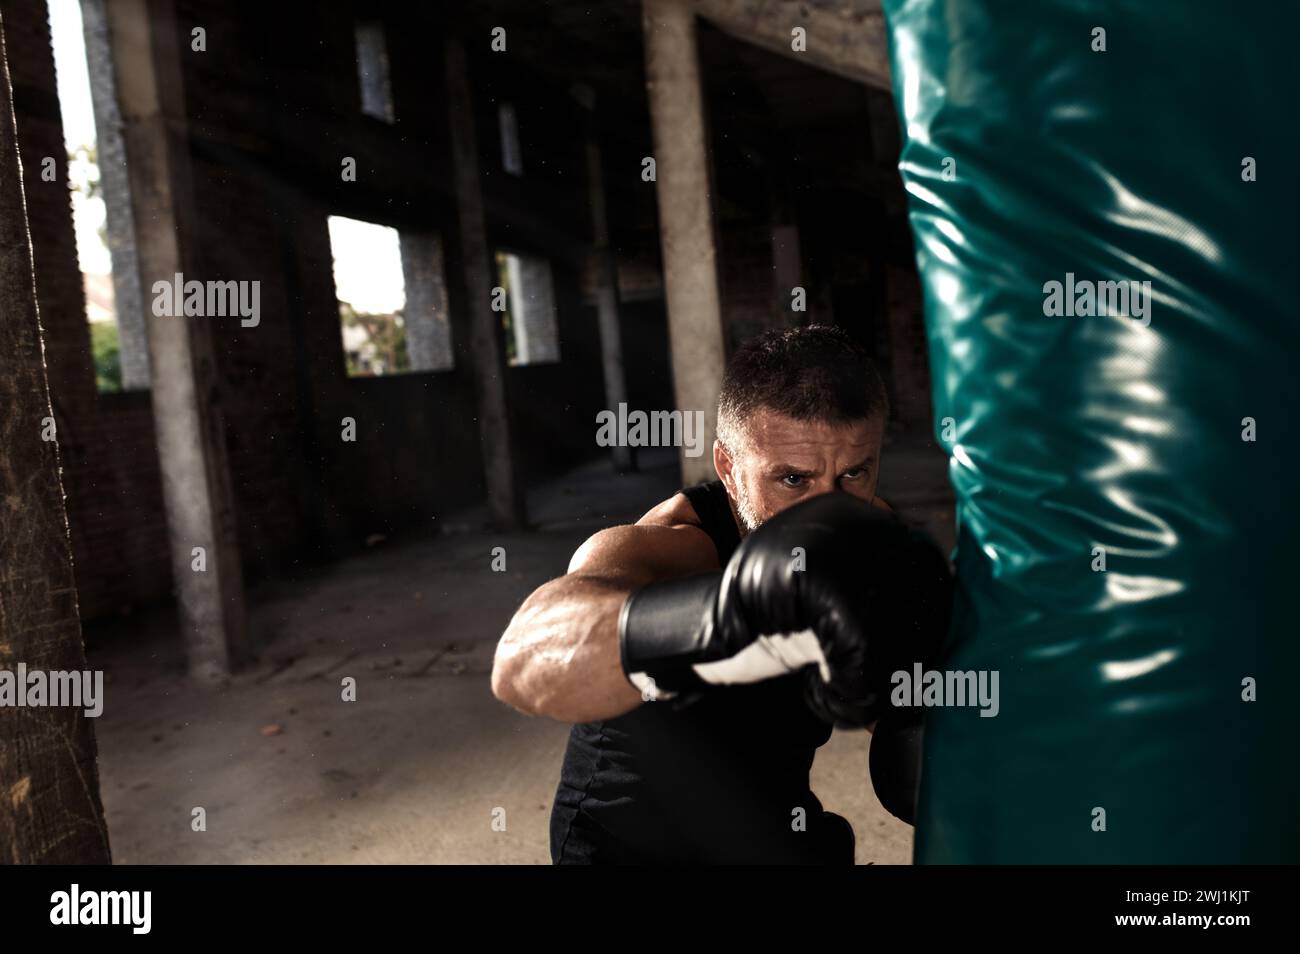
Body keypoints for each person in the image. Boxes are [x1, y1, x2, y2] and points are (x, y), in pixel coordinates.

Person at [491, 324, 951, 864]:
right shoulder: (675, 547)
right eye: (793, 480)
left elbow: (890, 698)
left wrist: (932, 720)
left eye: (854, 472)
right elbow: (522, 664)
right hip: (633, 849)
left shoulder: (876, 539)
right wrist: (732, 613)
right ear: (729, 469)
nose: (830, 510)